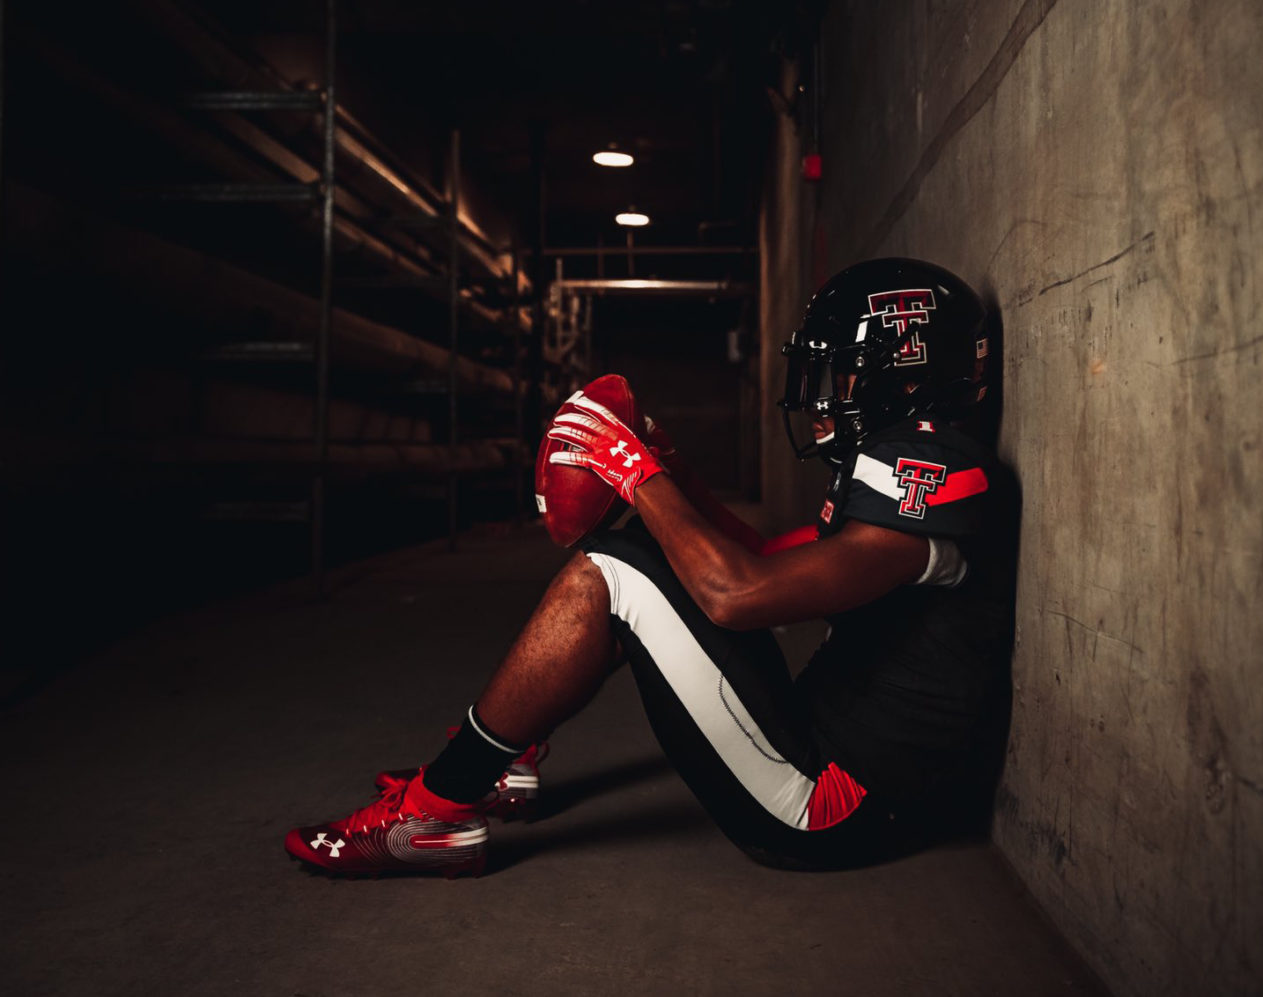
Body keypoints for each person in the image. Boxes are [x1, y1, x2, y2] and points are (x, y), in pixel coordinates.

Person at [285, 258, 1016, 876]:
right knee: (645, 549)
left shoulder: (931, 464)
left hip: (833, 805)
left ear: (905, 375)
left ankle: (435, 814)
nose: (821, 394)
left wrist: (631, 469)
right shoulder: (906, 463)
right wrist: (674, 475)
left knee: (616, 567)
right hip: (831, 751)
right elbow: (762, 560)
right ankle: (487, 765)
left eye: (842, 373)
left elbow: (736, 593)